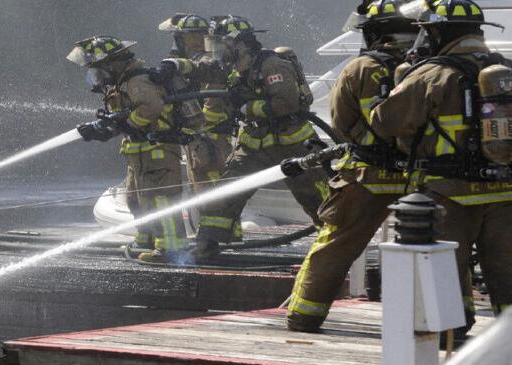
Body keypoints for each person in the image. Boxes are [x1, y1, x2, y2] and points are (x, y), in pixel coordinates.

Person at [368, 0, 512, 327]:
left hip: (449, 196)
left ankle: (452, 335)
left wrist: (388, 94)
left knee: (447, 270)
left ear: (438, 31)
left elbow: (385, 123)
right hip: (510, 194)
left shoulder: (431, 75)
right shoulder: (509, 73)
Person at [286, 0, 419, 332]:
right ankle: (448, 320)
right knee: (436, 246)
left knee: (333, 247)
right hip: (421, 178)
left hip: (367, 175)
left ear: (374, 32)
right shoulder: (428, 67)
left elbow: (342, 124)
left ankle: (305, 315)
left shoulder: (360, 69)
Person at [169, 16, 330, 261]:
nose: (218, 51)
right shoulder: (234, 68)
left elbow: (286, 103)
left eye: (221, 44)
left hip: (292, 143)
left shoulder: (272, 65)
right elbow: (205, 68)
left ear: (239, 44)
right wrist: (176, 67)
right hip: (254, 144)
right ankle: (207, 243)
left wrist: (248, 108)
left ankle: (333, 243)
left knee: (314, 196)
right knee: (227, 191)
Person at [69, 36, 192, 264]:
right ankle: (145, 239)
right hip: (138, 154)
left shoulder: (137, 80)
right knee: (135, 201)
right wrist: (101, 130)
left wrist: (124, 124)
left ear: (110, 63)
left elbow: (151, 108)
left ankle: (171, 249)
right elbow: (122, 118)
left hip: (157, 152)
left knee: (161, 201)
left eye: (97, 70)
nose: (95, 76)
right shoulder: (121, 83)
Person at [158, 14, 231, 236]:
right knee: (201, 185)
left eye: (181, 36)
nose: (177, 41)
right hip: (196, 136)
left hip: (210, 136)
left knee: (210, 184)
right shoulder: (188, 61)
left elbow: (205, 71)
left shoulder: (209, 59)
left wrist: (179, 65)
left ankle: (215, 235)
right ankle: (214, 233)